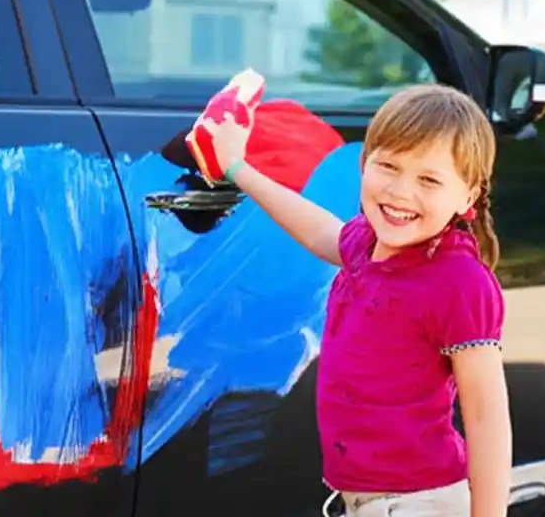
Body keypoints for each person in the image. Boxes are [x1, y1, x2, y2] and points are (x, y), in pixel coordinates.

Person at [202, 83, 511, 517]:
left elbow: (487, 417)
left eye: (428, 179)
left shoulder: (459, 281)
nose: (401, 192)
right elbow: (318, 230)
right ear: (364, 165)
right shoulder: (368, 244)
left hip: (420, 502)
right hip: (367, 500)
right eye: (389, 166)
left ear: (468, 196)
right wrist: (236, 167)